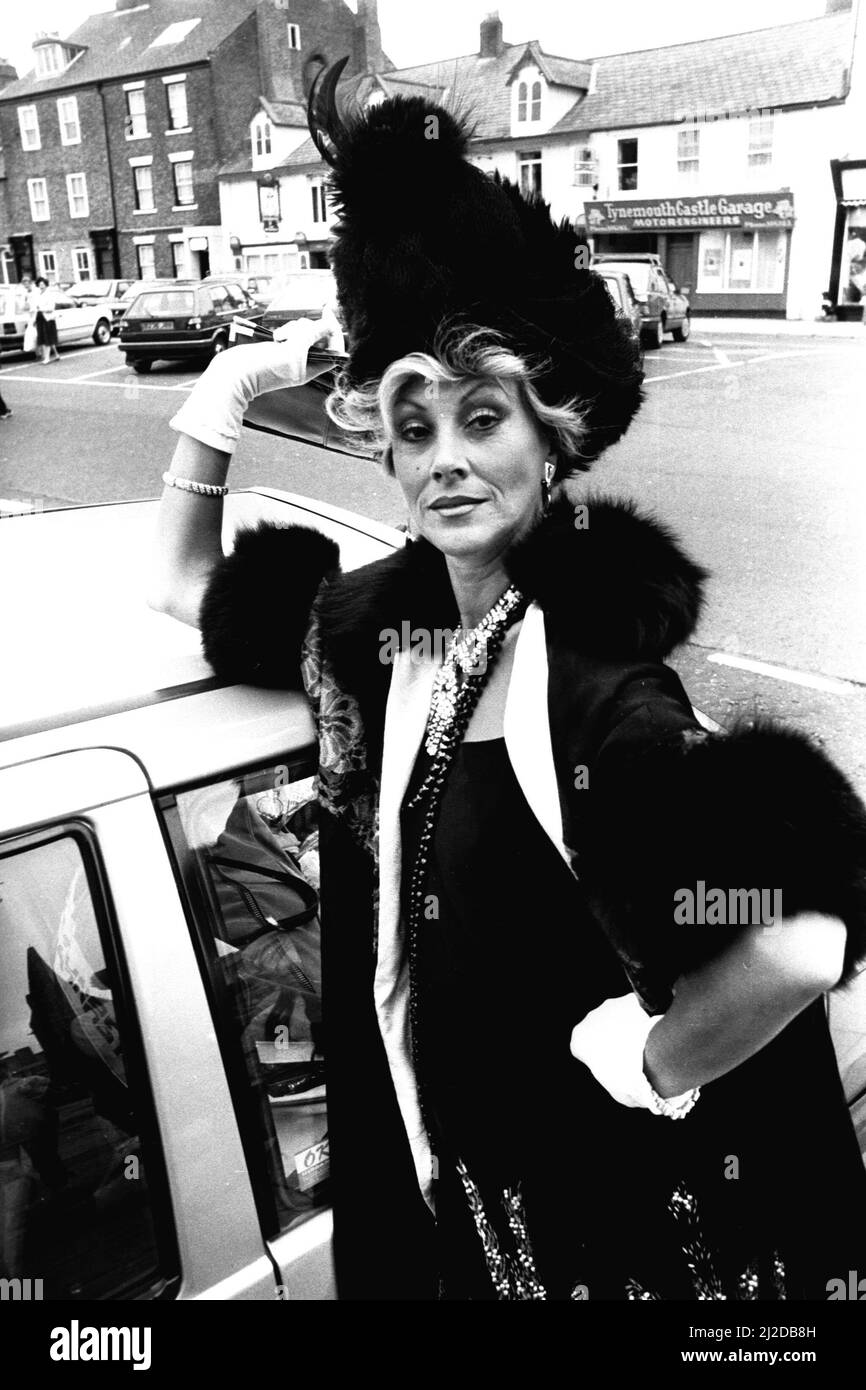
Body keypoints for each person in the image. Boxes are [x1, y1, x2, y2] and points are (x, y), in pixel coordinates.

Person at [150, 76, 866, 1301]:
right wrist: (225, 392)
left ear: (550, 438)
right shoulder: (371, 637)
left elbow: (796, 939)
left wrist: (649, 1057)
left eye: (482, 418)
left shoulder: (594, 691)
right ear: (379, 443)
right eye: (412, 424)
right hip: (458, 1222)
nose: (447, 460)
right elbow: (178, 583)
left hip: (607, 1250)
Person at [32, 276, 60, 363]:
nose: (41, 286)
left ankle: (47, 358)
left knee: (47, 338)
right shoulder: (38, 295)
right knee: (43, 338)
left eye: (43, 284)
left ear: (46, 285)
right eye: (39, 284)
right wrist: (34, 319)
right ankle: (56, 354)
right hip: (39, 318)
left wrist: (41, 309)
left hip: (48, 319)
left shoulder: (49, 294)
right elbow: (35, 307)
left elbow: (51, 308)